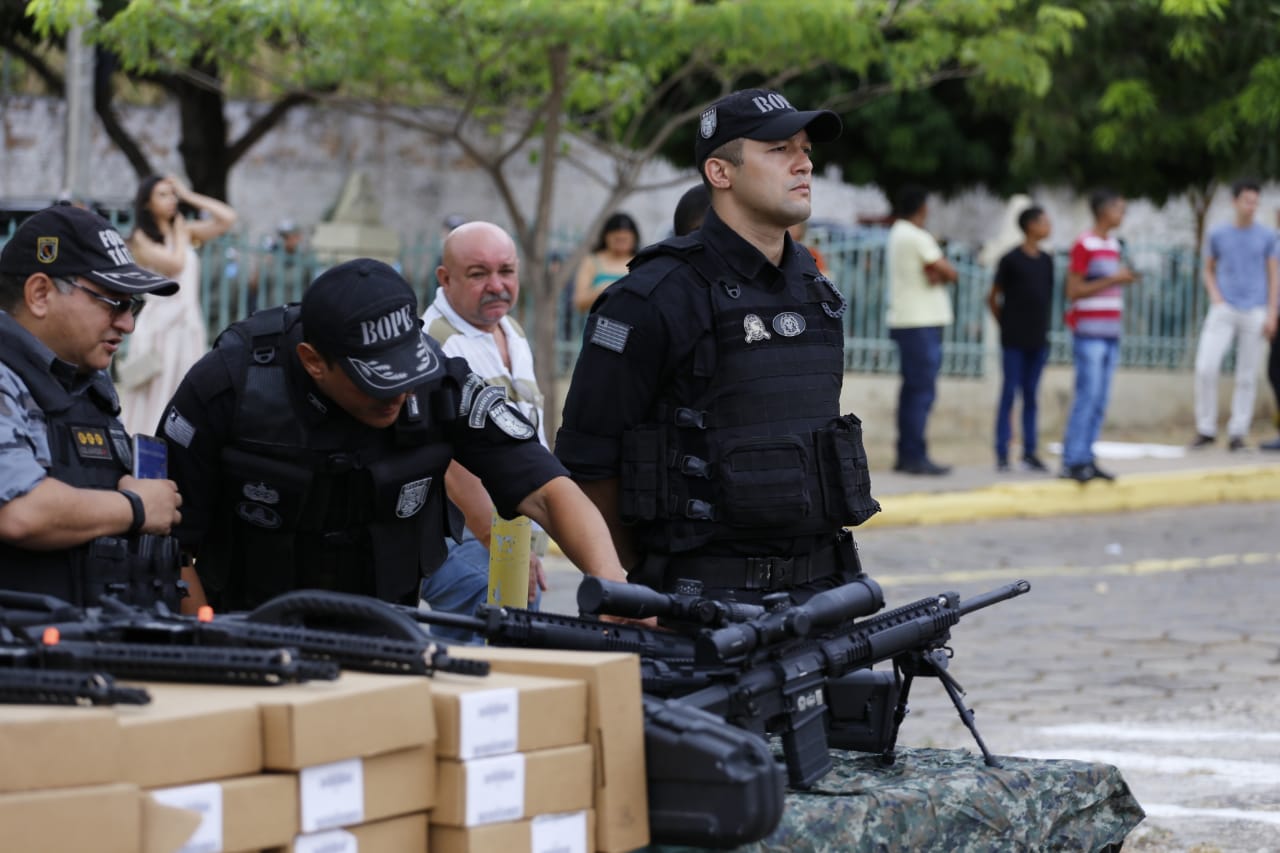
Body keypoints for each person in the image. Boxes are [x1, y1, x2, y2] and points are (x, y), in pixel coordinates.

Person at [157, 257, 627, 615]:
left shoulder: (440, 381)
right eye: (377, 381)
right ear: (313, 361)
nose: (399, 396)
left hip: (386, 629)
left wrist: (612, 586)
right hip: (249, 629)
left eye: (407, 375)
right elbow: (167, 545)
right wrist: (210, 641)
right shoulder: (228, 387)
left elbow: (548, 490)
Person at [556, 88, 880, 604]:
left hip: (821, 596)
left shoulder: (815, 289)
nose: (803, 164)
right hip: (699, 608)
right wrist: (636, 587)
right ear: (720, 173)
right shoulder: (651, 297)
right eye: (779, 150)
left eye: (806, 150)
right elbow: (587, 466)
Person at [0, 204, 186, 607]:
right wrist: (136, 506)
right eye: (113, 302)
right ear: (40, 294)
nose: (128, 323)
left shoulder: (87, 382)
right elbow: (18, 511)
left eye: (133, 306)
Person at [422, 221, 548, 631]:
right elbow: (452, 465)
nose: (496, 285)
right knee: (485, 651)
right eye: (478, 274)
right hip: (467, 535)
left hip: (508, 531)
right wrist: (503, 548)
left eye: (506, 271)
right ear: (446, 278)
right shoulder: (438, 343)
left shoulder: (509, 329)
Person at [119, 174, 237, 437]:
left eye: (171, 194)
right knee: (155, 397)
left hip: (188, 324)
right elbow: (176, 265)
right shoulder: (141, 237)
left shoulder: (182, 230)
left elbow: (227, 218)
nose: (170, 200)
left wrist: (188, 195)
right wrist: (181, 235)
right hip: (160, 326)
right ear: (147, 203)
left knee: (185, 395)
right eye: (162, 195)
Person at [1190, 180, 1279, 451]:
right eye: (1247, 201)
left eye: (1255, 202)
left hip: (1255, 309)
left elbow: (1274, 275)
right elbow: (1207, 268)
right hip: (1225, 308)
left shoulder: (1267, 236)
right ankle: (1206, 429)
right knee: (1206, 367)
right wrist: (1215, 296)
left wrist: (1272, 311)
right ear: (1235, 202)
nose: (1251, 207)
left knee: (1247, 375)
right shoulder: (1219, 234)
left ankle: (1238, 432)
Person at [1059, 189, 1141, 483]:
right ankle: (1072, 460)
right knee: (1087, 395)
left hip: (1110, 333)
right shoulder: (1084, 244)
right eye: (1119, 208)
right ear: (1104, 211)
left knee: (1101, 399)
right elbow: (1073, 290)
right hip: (1089, 333)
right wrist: (1113, 279)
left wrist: (1120, 279)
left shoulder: (1113, 245)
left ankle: (1087, 457)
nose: (1123, 215)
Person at [885, 184, 959, 476]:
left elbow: (934, 272)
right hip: (920, 322)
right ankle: (915, 456)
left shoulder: (897, 233)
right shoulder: (916, 236)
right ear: (922, 208)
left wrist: (937, 273)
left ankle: (907, 454)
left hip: (907, 320)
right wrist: (943, 272)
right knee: (921, 393)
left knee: (911, 391)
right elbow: (948, 271)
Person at [987, 205, 1054, 472]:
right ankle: (1002, 452)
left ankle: (1029, 452)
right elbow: (992, 297)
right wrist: (1006, 324)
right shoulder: (1010, 259)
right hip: (1013, 339)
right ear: (1030, 226)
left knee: (1031, 395)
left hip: (1038, 339)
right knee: (1009, 394)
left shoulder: (1047, 260)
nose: (1049, 227)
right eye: (1044, 222)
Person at [571, 212, 640, 312]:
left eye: (624, 239)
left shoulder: (641, 262)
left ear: (634, 238)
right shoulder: (592, 261)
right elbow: (579, 302)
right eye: (617, 239)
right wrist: (605, 289)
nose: (620, 241)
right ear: (605, 236)